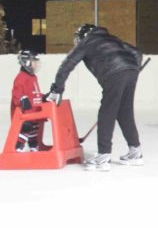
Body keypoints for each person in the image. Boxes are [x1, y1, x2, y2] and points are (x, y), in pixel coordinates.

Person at [49, 24, 144, 171]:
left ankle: (103, 156)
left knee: (107, 113)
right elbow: (136, 52)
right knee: (124, 112)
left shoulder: (87, 42)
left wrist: (57, 89)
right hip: (130, 71)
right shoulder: (111, 38)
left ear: (84, 35)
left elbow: (67, 64)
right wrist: (134, 69)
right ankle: (135, 152)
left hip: (114, 73)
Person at [10, 50, 44, 152]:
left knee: (35, 128)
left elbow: (34, 93)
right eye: (33, 62)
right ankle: (18, 147)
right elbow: (17, 94)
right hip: (24, 112)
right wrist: (22, 99)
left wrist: (43, 97)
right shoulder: (21, 77)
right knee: (26, 127)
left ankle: (33, 145)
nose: (35, 65)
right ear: (26, 62)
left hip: (33, 111)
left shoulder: (33, 78)